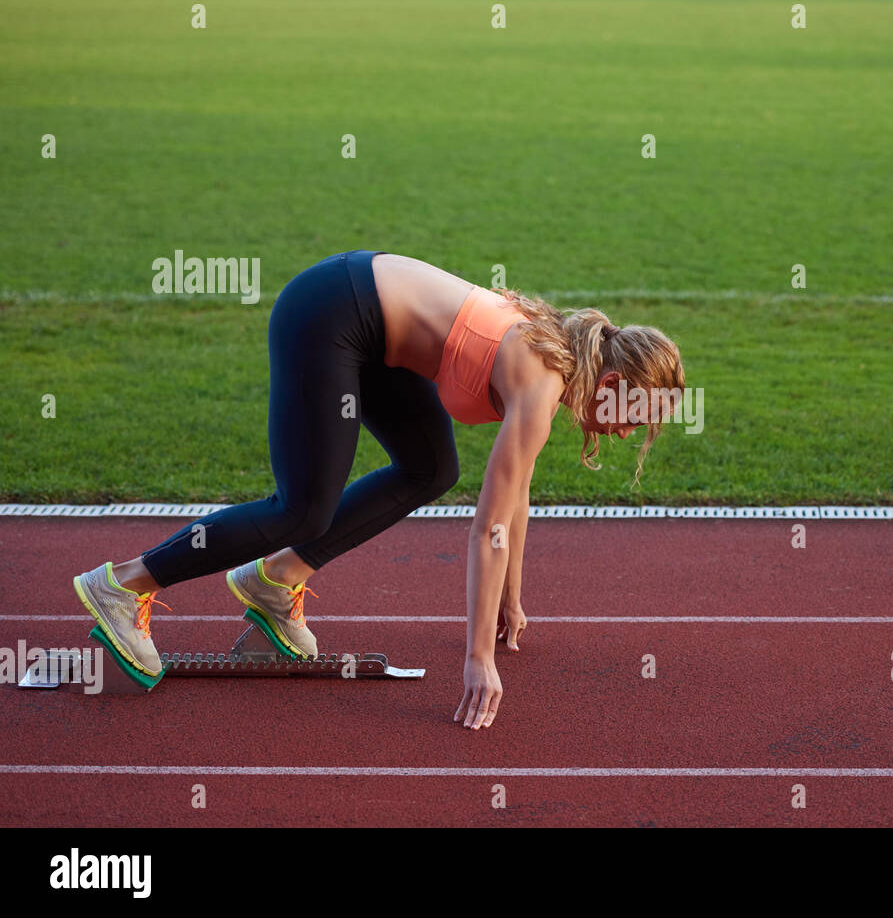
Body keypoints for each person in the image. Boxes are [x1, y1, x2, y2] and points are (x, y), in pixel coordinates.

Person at [72, 250, 685, 729]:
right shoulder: (541, 381)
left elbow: (513, 497)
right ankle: (124, 584)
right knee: (302, 508)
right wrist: (477, 659)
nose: (630, 429)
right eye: (635, 412)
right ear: (610, 380)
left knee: (430, 468)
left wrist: (511, 600)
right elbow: (489, 526)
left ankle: (273, 579)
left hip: (370, 326)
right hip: (331, 313)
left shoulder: (558, 363)